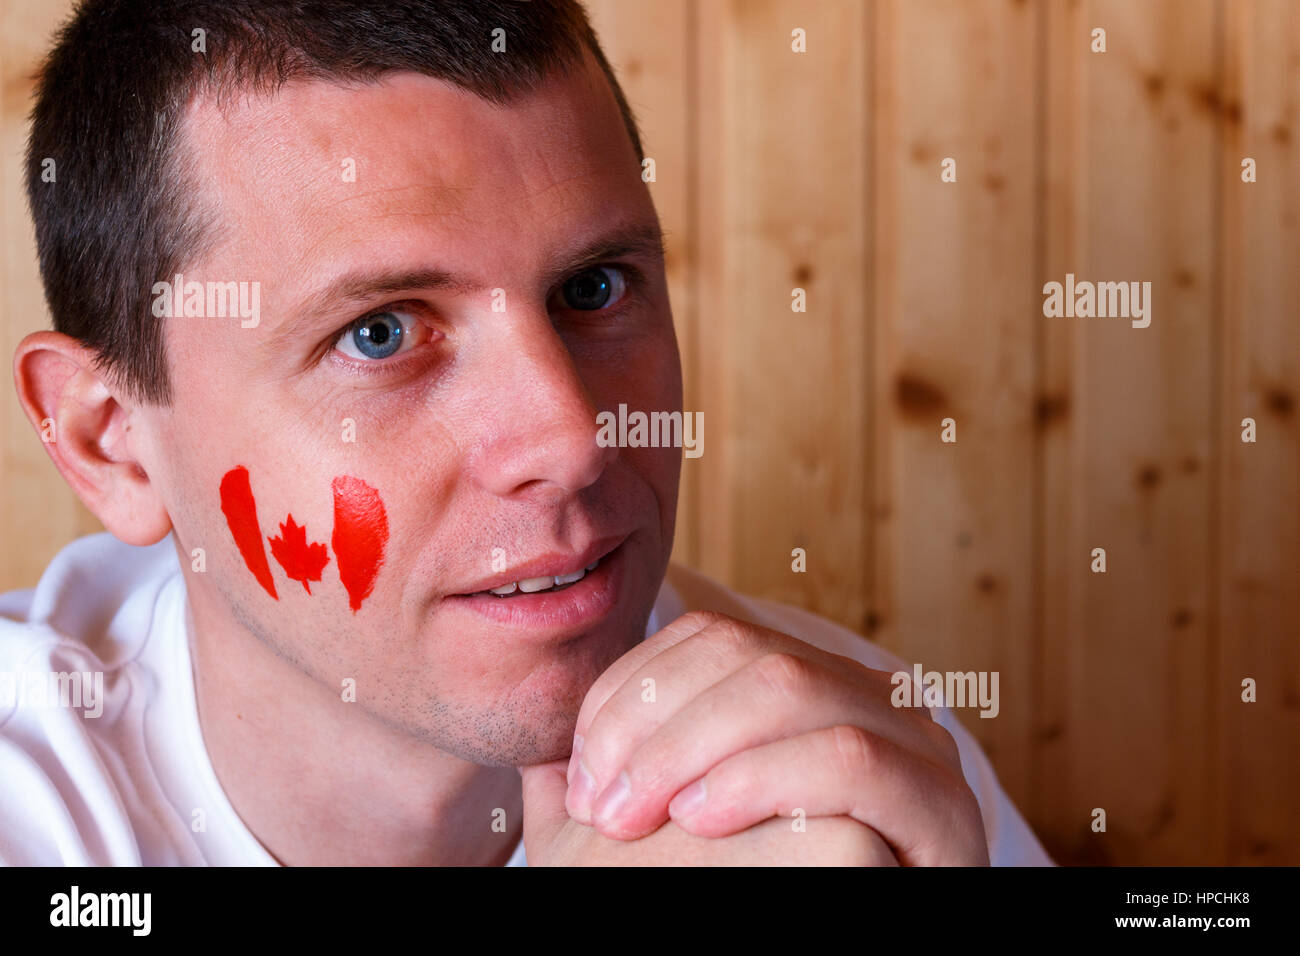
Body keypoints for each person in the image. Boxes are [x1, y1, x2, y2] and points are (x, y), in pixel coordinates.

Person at [1, 0, 1052, 866]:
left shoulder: (830, 746)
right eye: (379, 333)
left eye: (594, 288)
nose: (574, 437)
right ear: (111, 441)